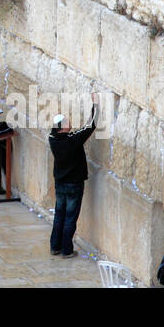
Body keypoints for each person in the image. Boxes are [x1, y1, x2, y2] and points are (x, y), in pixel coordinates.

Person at [48, 96, 98, 258]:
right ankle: (67, 250)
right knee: (70, 218)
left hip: (60, 183)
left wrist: (58, 119)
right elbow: (91, 125)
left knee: (59, 215)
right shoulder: (73, 140)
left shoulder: (53, 139)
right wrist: (95, 103)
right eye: (67, 123)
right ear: (63, 128)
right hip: (74, 185)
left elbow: (55, 130)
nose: (70, 124)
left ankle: (55, 246)